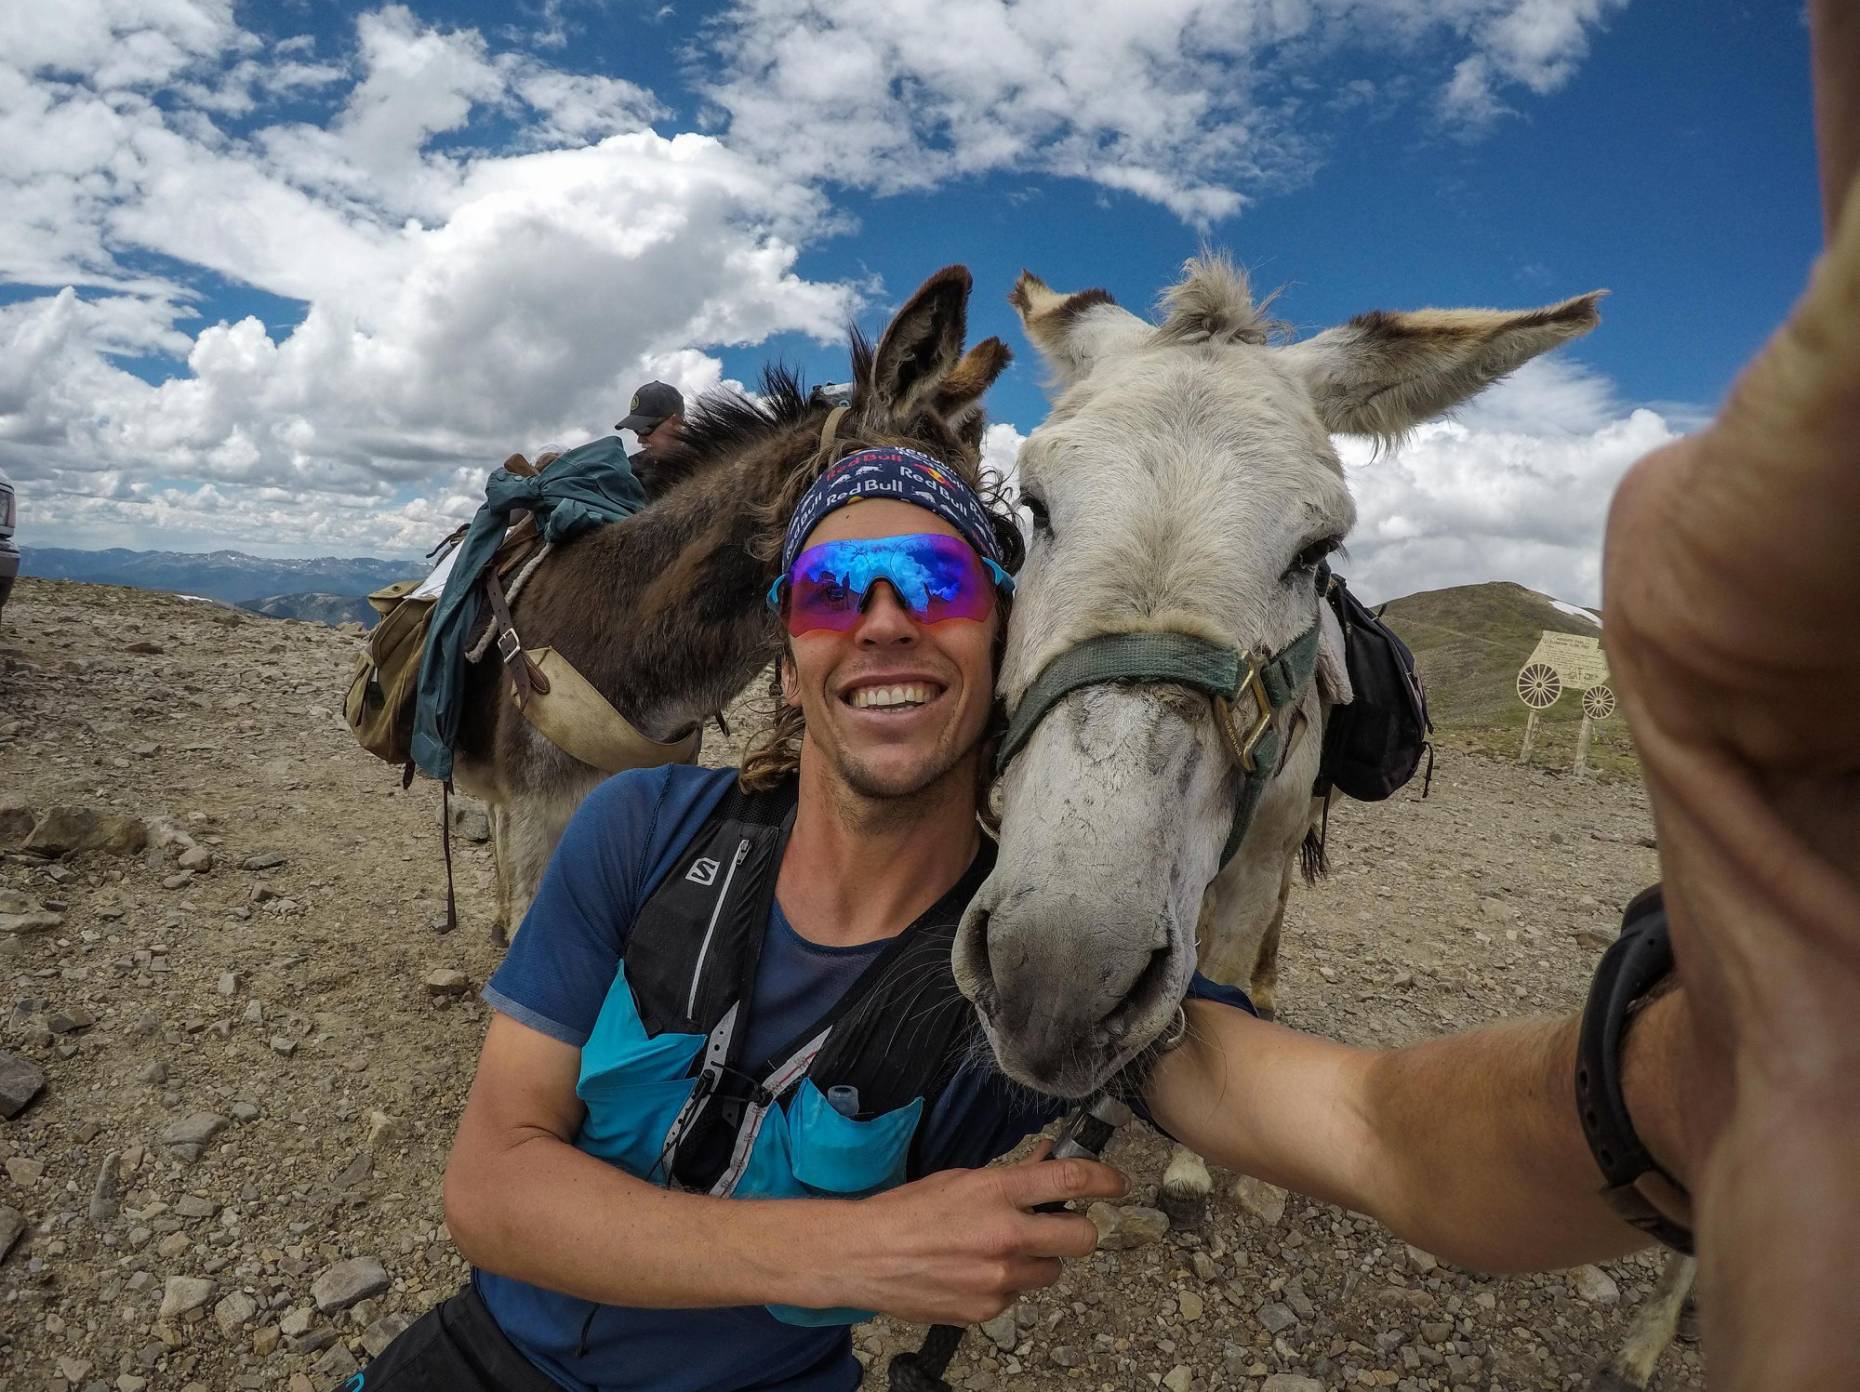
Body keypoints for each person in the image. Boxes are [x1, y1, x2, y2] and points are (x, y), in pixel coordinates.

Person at [357, 444, 1256, 1391]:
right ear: (787, 665)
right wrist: (848, 1249)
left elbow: (1358, 1125)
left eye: (935, 582)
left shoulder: (1022, 954)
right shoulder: (642, 827)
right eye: (832, 591)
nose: (882, 622)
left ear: (1003, 644)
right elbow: (491, 1187)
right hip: (477, 1352)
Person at [618, 379, 686, 472]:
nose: (640, 440)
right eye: (636, 430)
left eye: (645, 429)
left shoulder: (709, 457)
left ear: (675, 422)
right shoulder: (632, 470)